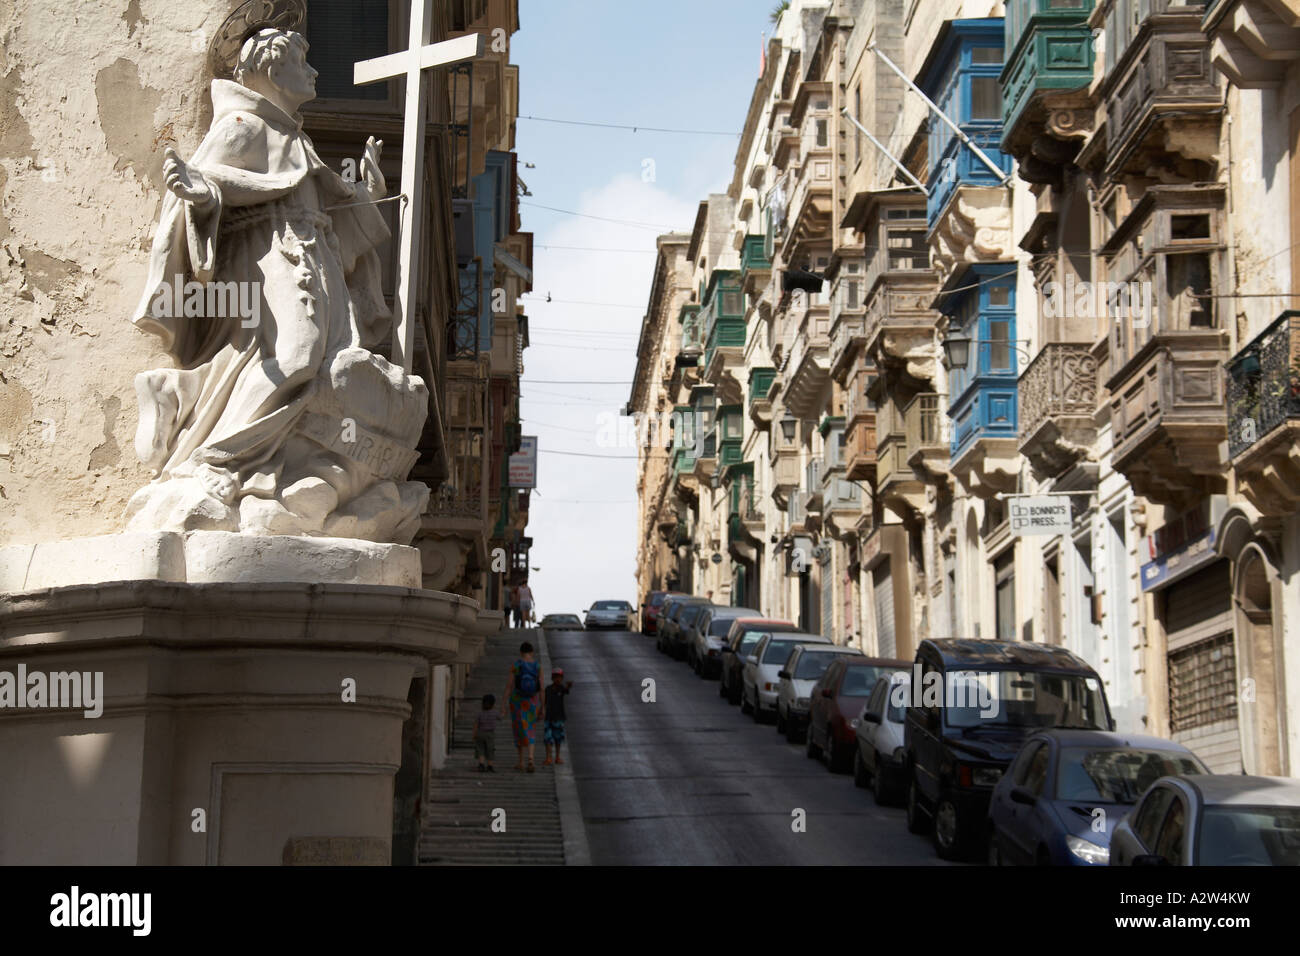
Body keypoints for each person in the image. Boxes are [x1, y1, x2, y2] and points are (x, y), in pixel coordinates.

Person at [501, 641, 542, 772]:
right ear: (532, 652)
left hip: (517, 701)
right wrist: (543, 706)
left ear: (521, 652)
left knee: (518, 730)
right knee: (530, 729)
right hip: (532, 701)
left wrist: (503, 705)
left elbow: (509, 686)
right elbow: (542, 688)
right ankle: (530, 758)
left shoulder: (516, 665)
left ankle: (520, 761)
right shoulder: (537, 666)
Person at [542, 668, 574, 766]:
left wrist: (568, 686)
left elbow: (566, 690)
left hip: (559, 717)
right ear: (552, 678)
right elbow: (544, 702)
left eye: (559, 677)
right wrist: (540, 712)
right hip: (548, 717)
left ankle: (557, 757)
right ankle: (548, 757)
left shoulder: (561, 689)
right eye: (556, 677)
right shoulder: (548, 689)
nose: (558, 679)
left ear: (562, 678)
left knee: (558, 738)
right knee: (548, 738)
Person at [473, 694, 498, 772]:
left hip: (480, 733)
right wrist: (504, 711)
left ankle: (481, 764)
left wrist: (474, 734)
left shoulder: (480, 713)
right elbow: (501, 717)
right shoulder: (494, 713)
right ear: (493, 704)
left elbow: (476, 725)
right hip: (490, 734)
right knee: (490, 749)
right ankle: (490, 765)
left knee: (481, 749)